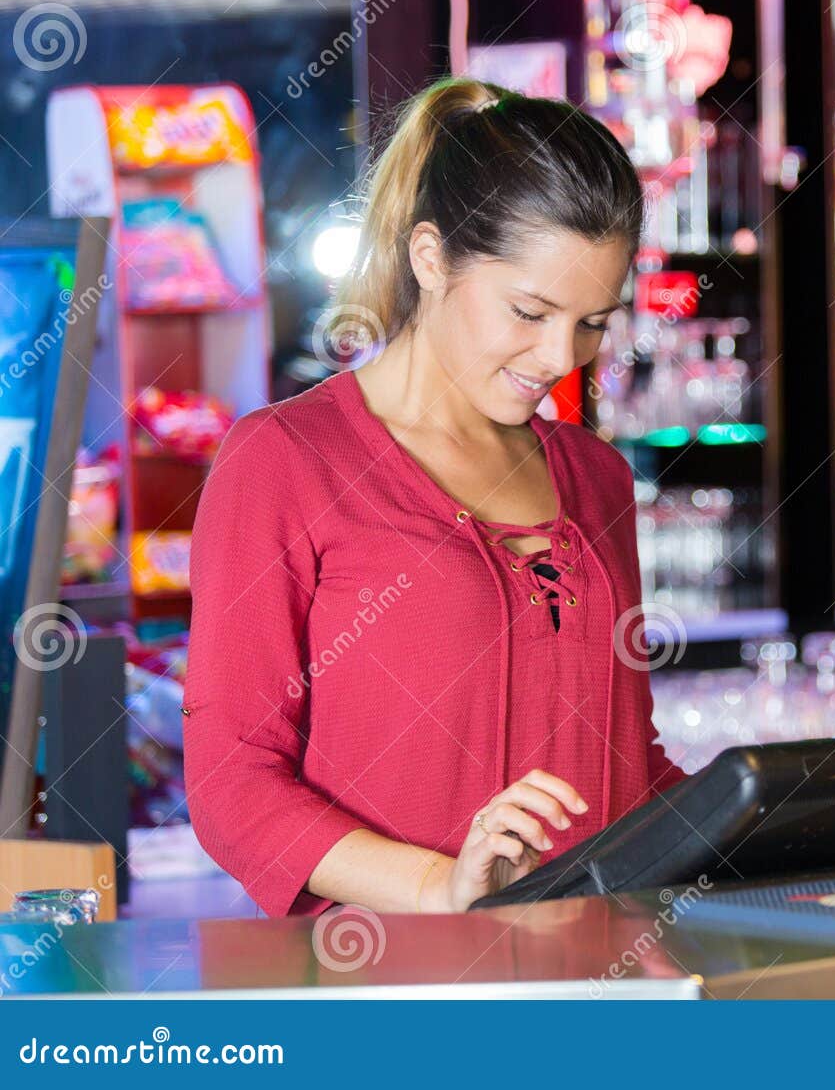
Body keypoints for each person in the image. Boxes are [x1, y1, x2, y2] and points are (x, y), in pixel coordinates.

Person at [185, 78, 685, 917]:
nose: (561, 354)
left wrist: (776, 811)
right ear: (430, 257)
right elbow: (233, 782)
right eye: (529, 310)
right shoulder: (285, 461)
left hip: (607, 980)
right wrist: (440, 887)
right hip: (395, 991)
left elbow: (627, 753)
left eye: (595, 321)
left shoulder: (598, 478)